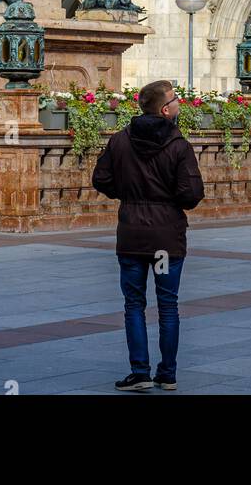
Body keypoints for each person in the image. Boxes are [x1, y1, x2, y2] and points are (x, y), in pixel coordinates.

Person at [92, 78, 205, 392]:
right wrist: (170, 201)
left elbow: (101, 178)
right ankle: (166, 373)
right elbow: (192, 193)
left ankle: (139, 371)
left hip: (131, 235)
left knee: (134, 305)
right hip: (166, 239)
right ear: (165, 109)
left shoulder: (120, 140)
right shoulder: (179, 145)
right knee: (167, 305)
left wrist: (128, 193)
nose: (179, 103)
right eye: (175, 99)